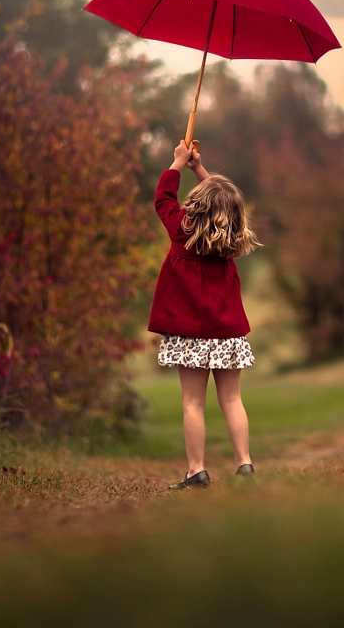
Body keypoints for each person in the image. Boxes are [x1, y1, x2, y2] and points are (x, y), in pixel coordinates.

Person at [148, 140, 261, 489]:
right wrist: (201, 170)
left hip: (191, 336)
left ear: (196, 204)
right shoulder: (228, 242)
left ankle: (196, 469)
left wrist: (178, 164)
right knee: (231, 399)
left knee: (193, 403)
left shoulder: (182, 232)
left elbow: (162, 199)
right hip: (227, 335)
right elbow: (221, 204)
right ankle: (244, 463)